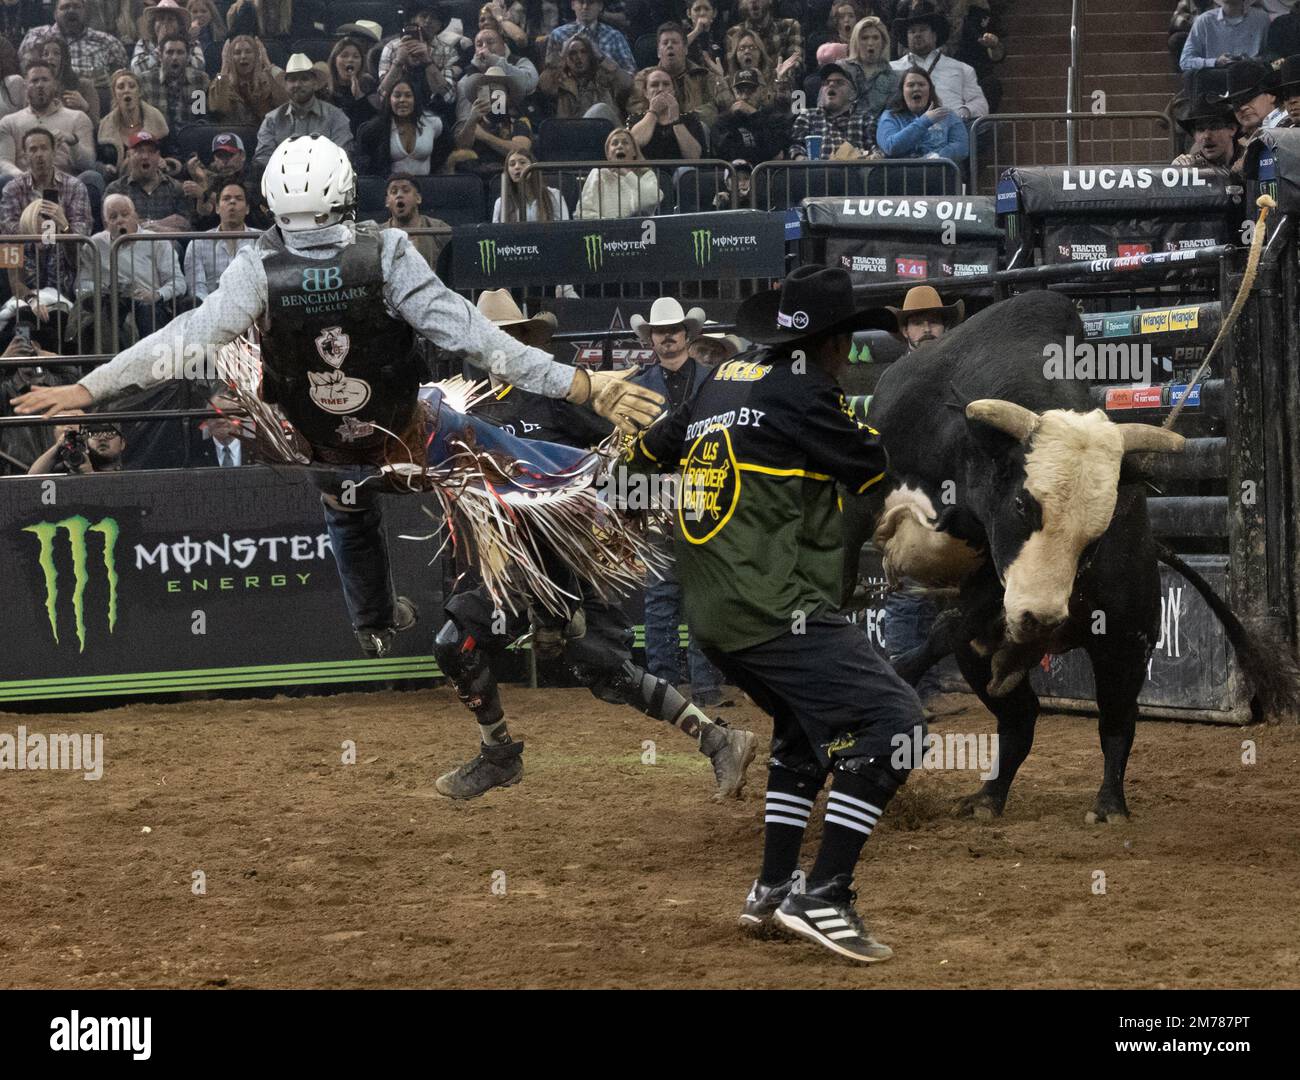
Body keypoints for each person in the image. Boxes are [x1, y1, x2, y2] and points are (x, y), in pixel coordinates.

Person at [15, 136, 664, 664]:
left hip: (338, 439)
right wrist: (583, 383)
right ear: (347, 197)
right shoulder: (384, 253)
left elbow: (184, 338)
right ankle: (557, 590)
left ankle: (388, 619)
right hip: (400, 430)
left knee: (348, 499)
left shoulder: (263, 267)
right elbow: (475, 336)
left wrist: (89, 386)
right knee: (512, 472)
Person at [622, 264, 925, 962]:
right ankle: (826, 894)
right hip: (773, 608)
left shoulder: (715, 383)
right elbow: (874, 470)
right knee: (897, 723)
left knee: (802, 729)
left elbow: (635, 465)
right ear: (836, 344)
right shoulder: (809, 394)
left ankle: (771, 887)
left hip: (712, 615)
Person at [431, 287, 758, 800]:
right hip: (508, 560)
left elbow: (617, 441)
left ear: (522, 342)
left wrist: (623, 499)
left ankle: (718, 740)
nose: (494, 348)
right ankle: (499, 753)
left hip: (561, 555)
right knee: (465, 646)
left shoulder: (552, 394)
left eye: (505, 337)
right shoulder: (470, 407)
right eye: (486, 339)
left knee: (605, 669)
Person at [629, 295, 726, 707]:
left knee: (698, 590)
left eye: (673, 331)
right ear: (651, 338)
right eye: (660, 332)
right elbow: (627, 442)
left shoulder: (712, 380)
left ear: (686, 335)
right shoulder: (639, 384)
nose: (667, 337)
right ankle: (665, 688)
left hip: (703, 491)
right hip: (657, 497)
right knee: (661, 594)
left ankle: (702, 687)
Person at [877, 283, 963, 707]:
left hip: (948, 493)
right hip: (909, 495)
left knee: (933, 598)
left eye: (934, 321)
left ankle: (925, 688)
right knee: (909, 594)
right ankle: (905, 693)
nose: (927, 328)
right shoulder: (897, 378)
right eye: (918, 322)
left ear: (944, 327)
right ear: (906, 331)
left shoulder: (958, 373)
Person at [0, 128, 92, 305]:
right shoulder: (12, 189)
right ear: (25, 155)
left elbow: (79, 251)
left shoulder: (75, 187)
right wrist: (32, 228)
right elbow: (9, 241)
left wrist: (64, 227)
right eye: (33, 149)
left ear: (54, 151)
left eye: (44, 148)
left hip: (65, 277)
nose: (39, 155)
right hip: (25, 276)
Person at [80, 192, 187, 343]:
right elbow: (83, 283)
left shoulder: (157, 241)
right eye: (113, 217)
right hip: (112, 302)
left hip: (149, 303)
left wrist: (157, 294)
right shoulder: (95, 245)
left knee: (147, 309)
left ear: (135, 216)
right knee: (103, 310)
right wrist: (102, 290)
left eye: (125, 214)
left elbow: (178, 282)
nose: (120, 220)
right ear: (105, 223)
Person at [0, 59, 101, 200]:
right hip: (23, 190)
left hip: (68, 190)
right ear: (25, 86)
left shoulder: (78, 118)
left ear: (55, 84)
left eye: (45, 80)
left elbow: (89, 164)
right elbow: (4, 161)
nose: (40, 85)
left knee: (92, 177)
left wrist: (73, 142)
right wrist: (23, 178)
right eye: (34, 81)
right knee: (4, 180)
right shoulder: (9, 122)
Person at [889, 0, 987, 121]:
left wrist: (964, 112)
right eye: (912, 31)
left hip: (952, 128)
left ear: (935, 35)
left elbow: (981, 104)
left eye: (923, 30)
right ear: (906, 37)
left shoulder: (962, 69)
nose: (917, 34)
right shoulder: (891, 69)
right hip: (907, 128)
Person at [253, 54, 354, 169]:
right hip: (280, 178)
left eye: (304, 79)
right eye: (292, 79)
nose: (297, 84)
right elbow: (263, 159)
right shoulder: (271, 120)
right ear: (285, 85)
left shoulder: (336, 117)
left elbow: (342, 157)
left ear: (314, 83)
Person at [629, 20, 730, 129]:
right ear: (658, 52)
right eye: (665, 43)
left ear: (685, 49)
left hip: (698, 133)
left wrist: (680, 118)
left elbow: (726, 106)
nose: (669, 46)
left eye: (675, 42)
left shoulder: (705, 76)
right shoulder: (643, 77)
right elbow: (635, 110)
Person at [19, 0, 129, 100]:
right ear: (55, 13)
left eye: (76, 7)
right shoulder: (36, 36)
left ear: (85, 12)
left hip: (94, 97)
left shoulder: (107, 41)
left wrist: (108, 81)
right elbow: (25, 71)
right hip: (45, 97)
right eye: (65, 7)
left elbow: (123, 77)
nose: (71, 10)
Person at [356, 79, 451, 177]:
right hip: (390, 184)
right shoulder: (375, 129)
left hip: (425, 183)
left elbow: (446, 152)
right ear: (389, 100)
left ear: (415, 99)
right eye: (397, 96)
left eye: (408, 95)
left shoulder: (433, 122)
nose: (402, 100)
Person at [536, 29, 632, 124]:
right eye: (573, 53)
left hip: (607, 130)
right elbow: (544, 86)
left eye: (584, 52)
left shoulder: (605, 77)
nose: (579, 57)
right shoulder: (561, 81)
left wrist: (601, 57)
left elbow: (627, 84)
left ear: (590, 56)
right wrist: (562, 55)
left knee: (600, 109)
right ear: (566, 59)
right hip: (572, 130)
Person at [877, 65, 969, 163]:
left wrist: (935, 158)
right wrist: (924, 122)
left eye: (921, 85)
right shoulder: (890, 116)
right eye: (910, 85)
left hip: (938, 169)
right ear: (902, 91)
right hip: (902, 170)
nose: (916, 88)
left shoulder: (947, 115)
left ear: (930, 89)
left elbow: (961, 147)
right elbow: (890, 147)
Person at [104, 130, 191, 232]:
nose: (145, 156)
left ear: (158, 155)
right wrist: (154, 225)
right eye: (139, 151)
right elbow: (110, 227)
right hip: (131, 242)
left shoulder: (175, 188)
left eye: (151, 151)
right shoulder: (116, 190)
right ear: (129, 155)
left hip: (168, 241)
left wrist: (156, 229)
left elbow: (185, 226)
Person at [788, 61, 875, 159]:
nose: (831, 84)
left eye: (839, 82)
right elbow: (796, 146)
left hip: (852, 168)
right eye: (826, 83)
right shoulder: (808, 116)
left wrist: (874, 156)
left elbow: (874, 148)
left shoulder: (864, 118)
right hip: (817, 168)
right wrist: (800, 158)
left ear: (852, 93)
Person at [454, 65, 533, 173]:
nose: (494, 97)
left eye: (499, 91)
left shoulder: (518, 121)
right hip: (476, 176)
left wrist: (485, 136)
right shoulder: (470, 122)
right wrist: (472, 121)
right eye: (489, 90)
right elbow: (461, 147)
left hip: (506, 176)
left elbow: (521, 150)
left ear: (508, 97)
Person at [184, 180, 254, 301]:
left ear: (247, 209)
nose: (232, 202)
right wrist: (212, 307)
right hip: (210, 307)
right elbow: (197, 287)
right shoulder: (198, 244)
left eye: (239, 199)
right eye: (226, 198)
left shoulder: (261, 240)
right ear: (217, 208)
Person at [577, 125, 661, 217]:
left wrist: (627, 174)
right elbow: (584, 212)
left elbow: (651, 200)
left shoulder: (646, 174)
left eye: (625, 142)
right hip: (606, 225)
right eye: (614, 143)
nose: (620, 146)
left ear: (634, 151)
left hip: (641, 226)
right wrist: (612, 224)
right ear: (608, 154)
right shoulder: (599, 173)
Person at [711, 67, 790, 164]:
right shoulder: (724, 120)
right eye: (740, 91)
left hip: (768, 172)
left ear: (761, 91)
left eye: (750, 91)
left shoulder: (775, 118)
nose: (744, 96)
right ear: (734, 93)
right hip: (737, 171)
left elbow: (775, 150)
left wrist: (754, 114)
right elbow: (726, 153)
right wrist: (760, 154)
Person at [97, 68, 168, 176]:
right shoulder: (103, 127)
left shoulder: (157, 120)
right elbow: (97, 161)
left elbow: (173, 155)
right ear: (114, 94)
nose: (126, 90)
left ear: (139, 92)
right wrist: (104, 168)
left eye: (132, 86)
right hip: (116, 181)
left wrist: (165, 162)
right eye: (121, 87)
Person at [207, 34, 287, 126]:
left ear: (256, 56)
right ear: (230, 58)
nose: (243, 56)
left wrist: (267, 64)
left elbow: (285, 103)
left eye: (248, 52)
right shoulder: (220, 79)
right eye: (237, 53)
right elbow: (218, 108)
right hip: (233, 132)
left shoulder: (269, 78)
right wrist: (224, 67)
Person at [629, 66, 706, 159]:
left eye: (666, 84)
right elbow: (633, 145)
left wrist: (676, 121)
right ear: (646, 93)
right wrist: (653, 112)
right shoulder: (635, 119)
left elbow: (694, 156)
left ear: (673, 91)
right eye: (654, 85)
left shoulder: (690, 119)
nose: (661, 89)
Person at [547, 0, 637, 75]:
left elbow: (631, 73)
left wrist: (603, 59)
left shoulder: (614, 36)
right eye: (581, 2)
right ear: (573, 5)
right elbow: (548, 77)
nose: (585, 7)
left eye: (591, 2)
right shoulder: (558, 34)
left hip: (607, 88)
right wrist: (563, 54)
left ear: (600, 6)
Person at [140, 33, 209, 131]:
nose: (175, 57)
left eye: (180, 52)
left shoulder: (200, 80)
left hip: (191, 136)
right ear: (160, 56)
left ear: (188, 56)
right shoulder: (146, 80)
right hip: (157, 137)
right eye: (169, 52)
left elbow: (202, 117)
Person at [383, 174, 451, 269]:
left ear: (418, 198)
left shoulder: (438, 228)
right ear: (387, 202)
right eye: (394, 192)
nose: (399, 195)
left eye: (406, 191)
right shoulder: (378, 234)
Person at [1180, 0, 1271, 71]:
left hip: (1251, 77)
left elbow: (1273, 59)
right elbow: (1185, 61)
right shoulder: (1204, 21)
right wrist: (1215, 62)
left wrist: (1253, 61)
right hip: (1216, 78)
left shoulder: (1262, 19)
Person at [725, 0, 804, 81]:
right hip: (745, 85)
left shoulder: (789, 26)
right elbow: (732, 71)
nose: (753, 1)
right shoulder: (733, 33)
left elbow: (794, 65)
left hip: (781, 84)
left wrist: (780, 75)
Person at [842, 15, 898, 125]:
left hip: (877, 130)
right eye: (864, 38)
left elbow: (893, 115)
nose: (870, 43)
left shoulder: (892, 77)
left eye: (875, 38)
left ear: (883, 42)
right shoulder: (841, 69)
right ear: (856, 42)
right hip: (843, 129)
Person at [131, 0, 206, 77]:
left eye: (170, 19)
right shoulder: (144, 43)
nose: (165, 23)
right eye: (161, 19)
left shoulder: (191, 42)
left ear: (179, 24)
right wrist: (161, 46)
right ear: (153, 24)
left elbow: (200, 67)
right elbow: (136, 70)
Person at [28, 416, 126, 473]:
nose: (102, 438)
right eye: (94, 433)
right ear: (86, 441)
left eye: (110, 433)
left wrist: (89, 475)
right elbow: (31, 480)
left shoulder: (131, 473)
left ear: (122, 443)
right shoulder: (75, 464)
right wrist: (58, 447)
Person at [494, 147, 568, 221]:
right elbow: (497, 227)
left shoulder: (554, 195)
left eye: (522, 162)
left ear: (533, 166)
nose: (517, 167)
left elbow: (563, 225)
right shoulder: (501, 202)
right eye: (512, 164)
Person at [40, 33, 99, 126]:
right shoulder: (36, 87)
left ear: (65, 59)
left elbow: (97, 127)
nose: (50, 57)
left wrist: (85, 107)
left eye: (56, 53)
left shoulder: (84, 86)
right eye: (45, 54)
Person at [324, 37, 379, 135]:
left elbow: (373, 123)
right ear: (334, 61)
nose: (350, 60)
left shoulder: (368, 83)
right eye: (344, 56)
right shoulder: (324, 88)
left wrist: (359, 96)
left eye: (356, 56)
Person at [1171, 92, 1243, 166]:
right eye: (1200, 129)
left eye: (1214, 127)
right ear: (1194, 135)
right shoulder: (1192, 166)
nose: (1206, 136)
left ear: (1232, 129)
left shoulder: (1248, 158)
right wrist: (1177, 171)